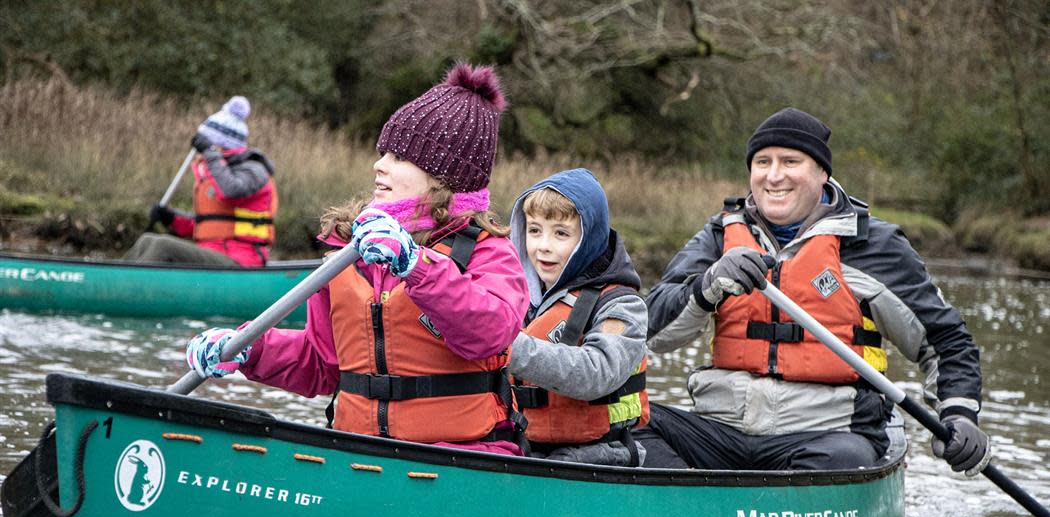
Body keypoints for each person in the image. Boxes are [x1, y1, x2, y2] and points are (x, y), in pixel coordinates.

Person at [183, 64, 530, 456]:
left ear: (443, 177)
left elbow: (491, 331)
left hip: (463, 456)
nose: (379, 165)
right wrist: (248, 349)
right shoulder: (349, 250)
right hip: (359, 452)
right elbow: (320, 364)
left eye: (399, 157)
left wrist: (415, 266)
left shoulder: (487, 249)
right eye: (383, 153)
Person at [639, 107, 990, 476]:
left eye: (790, 162)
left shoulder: (873, 246)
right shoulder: (718, 238)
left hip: (828, 436)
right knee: (625, 427)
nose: (774, 176)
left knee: (838, 462)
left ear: (822, 173)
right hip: (721, 432)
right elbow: (651, 332)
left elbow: (945, 341)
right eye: (763, 162)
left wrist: (960, 414)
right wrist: (705, 288)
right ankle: (692, 498)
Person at [506, 168, 649, 466]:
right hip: (528, 443)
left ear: (588, 240)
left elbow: (597, 371)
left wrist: (506, 345)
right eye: (534, 230)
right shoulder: (515, 296)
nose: (543, 246)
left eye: (561, 233)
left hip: (602, 452)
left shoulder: (623, 305)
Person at [123, 96, 278, 267]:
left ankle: (131, 281)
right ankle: (116, 274)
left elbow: (231, 191)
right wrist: (171, 218)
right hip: (212, 255)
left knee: (162, 246)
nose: (201, 153)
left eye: (208, 145)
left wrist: (210, 153)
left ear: (220, 145)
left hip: (242, 261)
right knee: (146, 240)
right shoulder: (217, 170)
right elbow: (207, 224)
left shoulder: (255, 170)